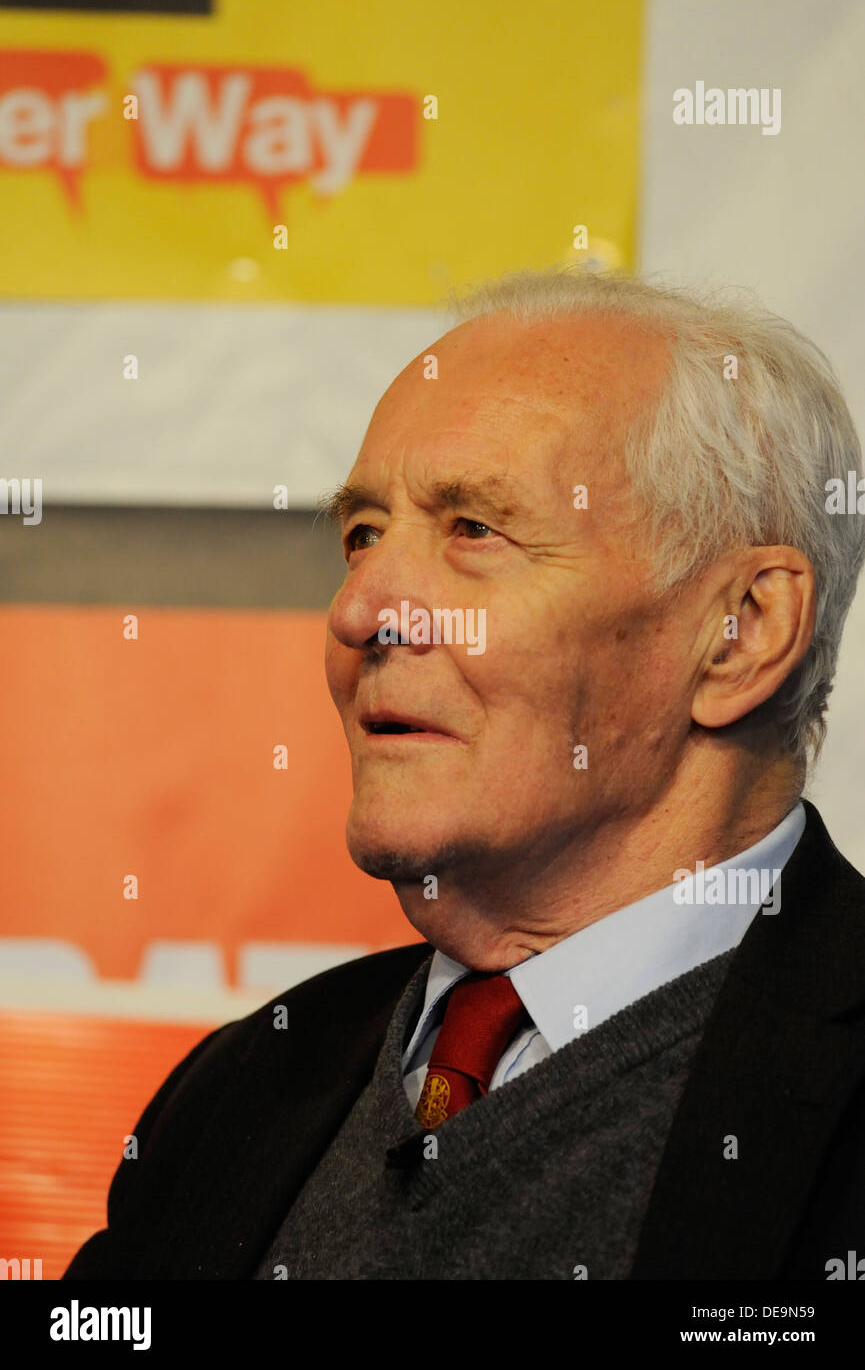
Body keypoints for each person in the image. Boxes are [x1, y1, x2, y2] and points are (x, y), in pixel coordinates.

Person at [64, 269, 865, 1281]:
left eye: (472, 531)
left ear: (738, 632)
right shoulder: (244, 1084)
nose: (359, 610)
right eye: (362, 534)